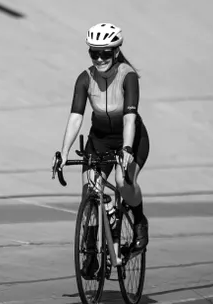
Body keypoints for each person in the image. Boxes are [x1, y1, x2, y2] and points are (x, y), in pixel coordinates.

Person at [56, 22, 150, 258]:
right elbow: (76, 118)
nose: (99, 59)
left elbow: (129, 119)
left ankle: (139, 220)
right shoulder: (84, 78)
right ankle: (89, 250)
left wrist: (127, 148)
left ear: (116, 52)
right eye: (94, 53)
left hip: (130, 138)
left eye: (105, 53)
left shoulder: (127, 76)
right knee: (90, 190)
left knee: (122, 181)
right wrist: (64, 152)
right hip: (99, 140)